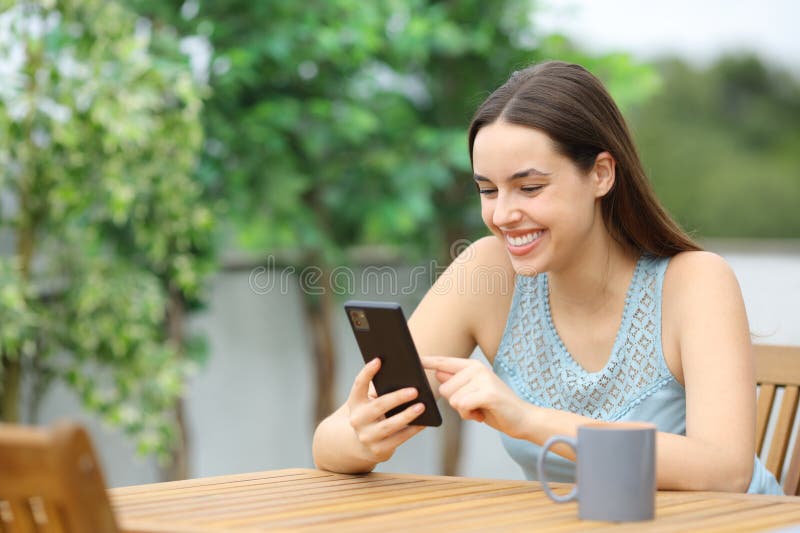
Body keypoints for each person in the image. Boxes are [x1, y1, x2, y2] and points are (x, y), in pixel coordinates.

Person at [311, 60, 783, 495]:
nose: (503, 213)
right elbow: (329, 440)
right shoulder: (487, 271)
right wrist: (362, 437)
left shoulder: (694, 282)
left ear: (601, 174)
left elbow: (725, 471)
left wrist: (526, 419)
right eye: (487, 190)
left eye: (530, 187)